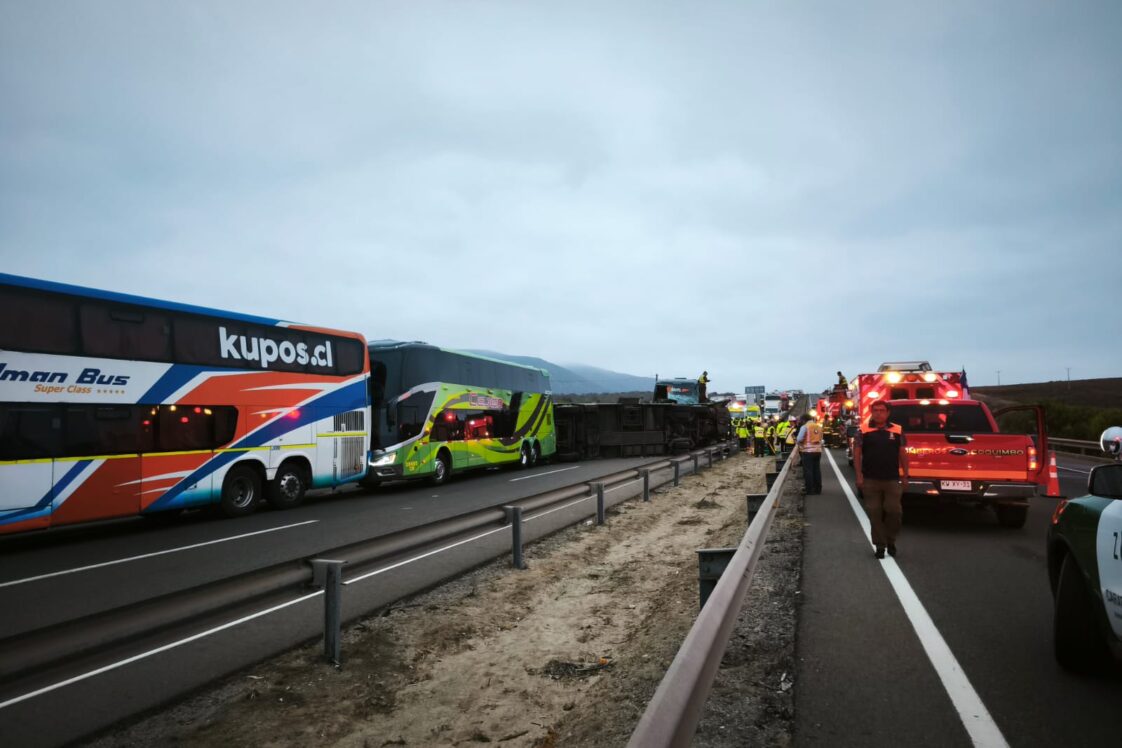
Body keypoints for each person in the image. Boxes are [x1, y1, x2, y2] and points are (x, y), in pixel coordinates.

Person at [853, 400, 910, 559]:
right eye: (875, 410)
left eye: (882, 410)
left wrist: (906, 475)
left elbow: (903, 453)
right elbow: (857, 454)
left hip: (892, 479)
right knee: (874, 512)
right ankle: (880, 545)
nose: (878, 413)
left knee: (894, 511)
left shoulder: (897, 430)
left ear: (888, 413)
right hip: (871, 480)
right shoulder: (863, 430)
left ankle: (890, 539)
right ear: (871, 412)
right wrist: (859, 476)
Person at [795, 414, 824, 494]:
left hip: (808, 452)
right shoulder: (818, 426)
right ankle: (818, 489)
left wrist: (798, 442)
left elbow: (799, 439)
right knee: (817, 470)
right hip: (818, 451)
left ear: (804, 420)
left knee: (808, 471)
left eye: (801, 420)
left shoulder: (805, 427)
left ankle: (810, 490)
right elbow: (821, 438)